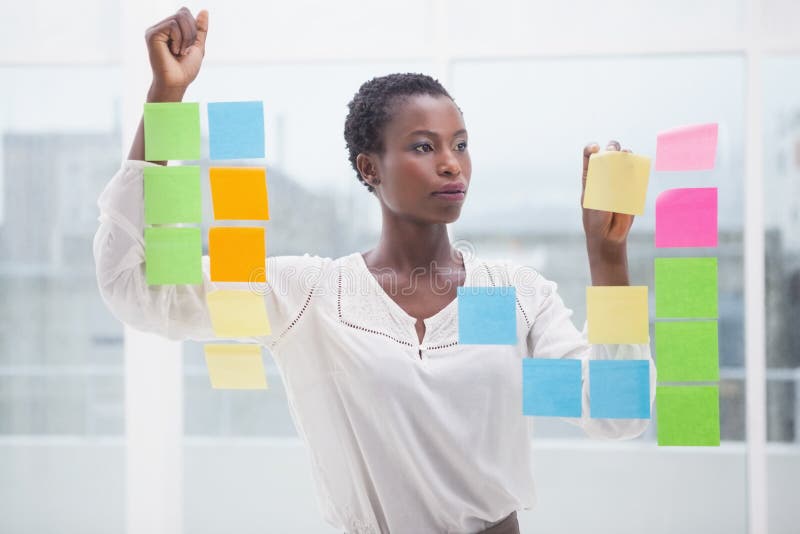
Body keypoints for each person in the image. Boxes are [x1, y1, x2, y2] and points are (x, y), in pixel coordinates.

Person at [93, 7, 656, 534]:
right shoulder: (308, 298)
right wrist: (165, 97)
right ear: (369, 168)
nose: (450, 163)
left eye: (460, 144)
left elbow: (616, 414)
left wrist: (607, 258)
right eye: (422, 146)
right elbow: (136, 286)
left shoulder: (510, 296)